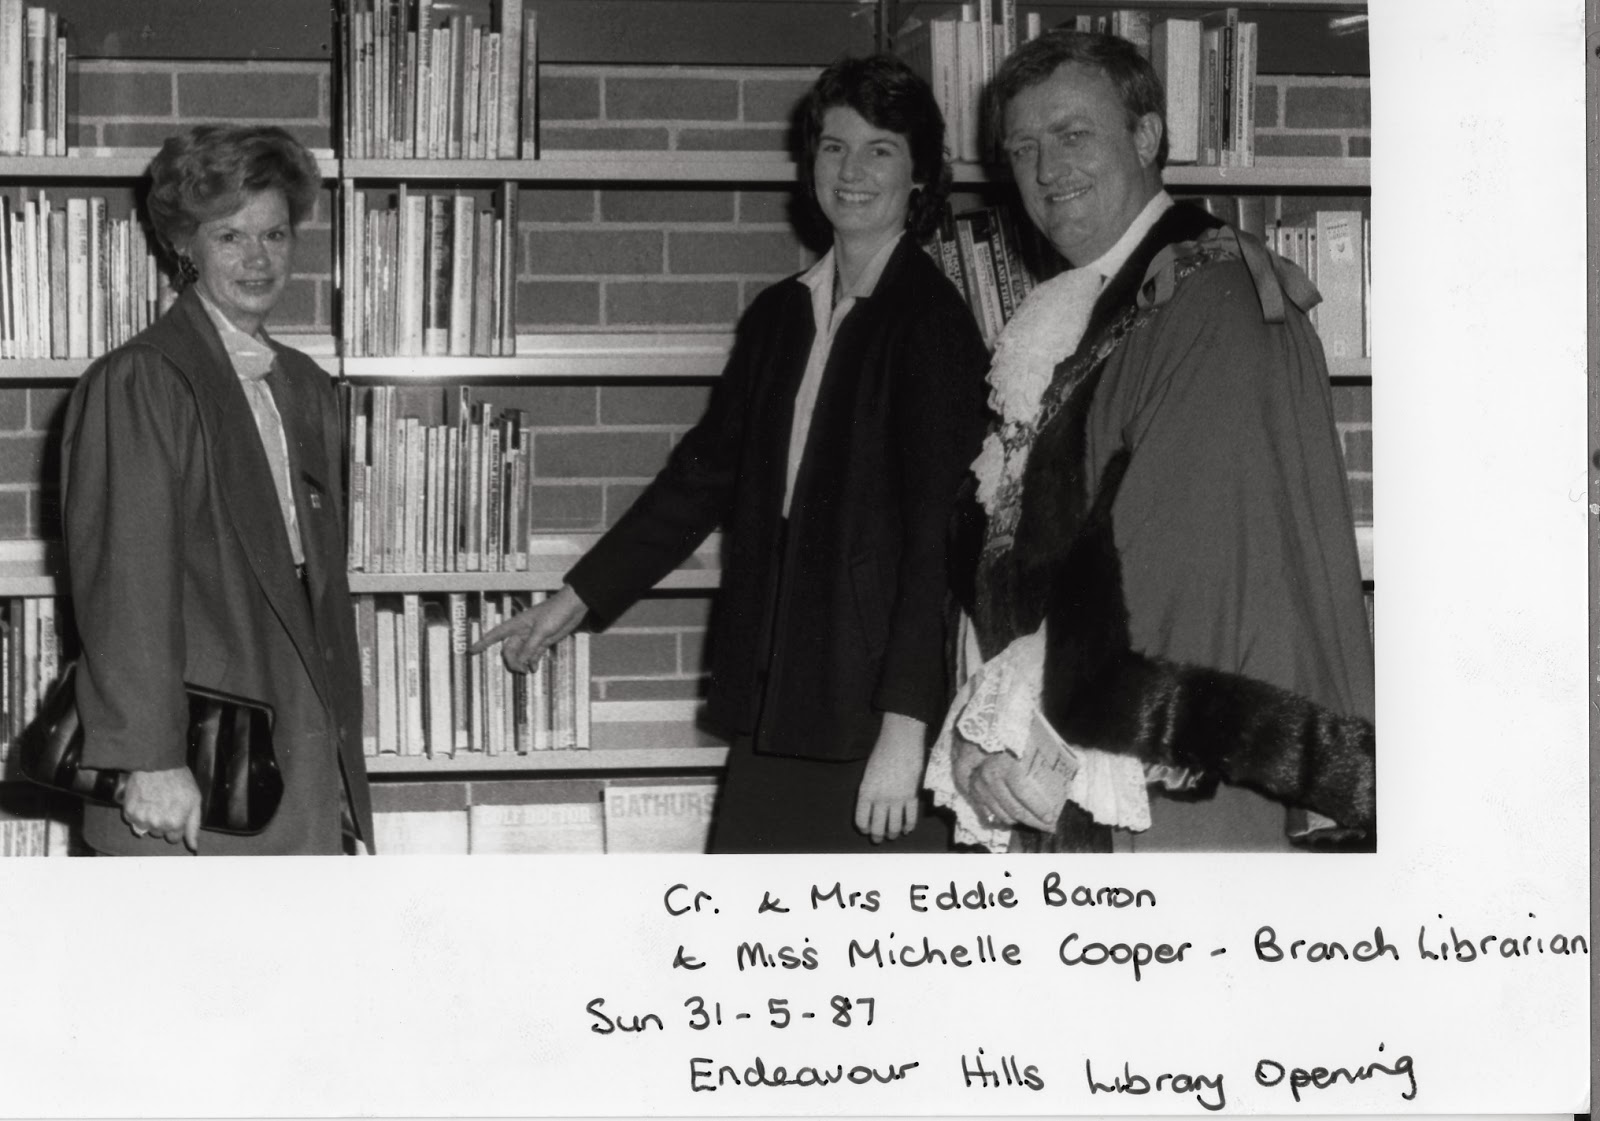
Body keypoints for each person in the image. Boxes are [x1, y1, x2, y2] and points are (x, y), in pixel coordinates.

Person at [473, 56, 990, 852]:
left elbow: (935, 549)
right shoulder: (781, 315)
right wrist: (571, 602)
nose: (850, 171)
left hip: (874, 720)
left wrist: (905, 732)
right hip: (777, 698)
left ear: (921, 175)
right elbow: (699, 479)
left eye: (879, 150)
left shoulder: (933, 325)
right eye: (832, 147)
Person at [925, 31, 1375, 853]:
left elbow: (1182, 570)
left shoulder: (1215, 302)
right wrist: (982, 714)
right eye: (1022, 148)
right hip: (1076, 759)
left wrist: (1017, 719)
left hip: (1183, 782)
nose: (1046, 169)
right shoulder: (1077, 310)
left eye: (1072, 134)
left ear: (1146, 136)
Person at [60, 125, 373, 855]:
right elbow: (123, 586)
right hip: (194, 766)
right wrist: (149, 756)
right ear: (185, 248)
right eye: (230, 237)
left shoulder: (303, 385)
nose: (257, 259)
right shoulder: (142, 381)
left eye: (274, 234)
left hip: (295, 736)